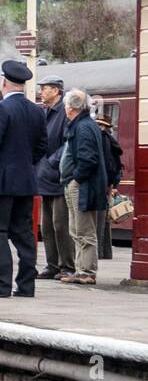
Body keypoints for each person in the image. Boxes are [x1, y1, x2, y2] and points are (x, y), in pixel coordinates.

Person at [0, 61, 48, 299]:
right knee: (24, 234)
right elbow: (43, 145)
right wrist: (24, 165)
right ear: (23, 85)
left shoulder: (1, 110)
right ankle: (26, 285)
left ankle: (0, 284)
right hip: (25, 183)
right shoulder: (36, 110)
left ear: (4, 83)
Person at [59, 89, 108, 285]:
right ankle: (80, 270)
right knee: (76, 229)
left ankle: (87, 271)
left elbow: (89, 159)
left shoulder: (83, 127)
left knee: (84, 230)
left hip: (82, 186)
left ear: (71, 107)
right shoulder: (82, 125)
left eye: (65, 105)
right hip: (77, 184)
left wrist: (75, 179)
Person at [34, 76, 74, 281]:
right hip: (44, 176)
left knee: (61, 224)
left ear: (57, 91)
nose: (42, 92)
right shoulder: (44, 112)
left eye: (45, 88)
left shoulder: (63, 113)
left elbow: (67, 143)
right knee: (47, 226)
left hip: (58, 176)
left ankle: (67, 265)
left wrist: (50, 162)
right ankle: (52, 264)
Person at [93, 111, 123, 260]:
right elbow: (118, 165)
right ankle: (105, 252)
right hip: (108, 182)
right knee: (104, 219)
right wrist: (114, 183)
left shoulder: (104, 141)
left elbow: (109, 164)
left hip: (102, 183)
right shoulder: (111, 141)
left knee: (99, 218)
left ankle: (98, 252)